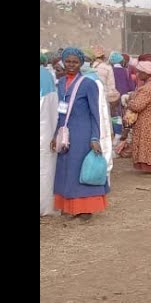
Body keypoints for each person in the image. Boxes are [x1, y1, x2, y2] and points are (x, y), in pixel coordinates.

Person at [50, 48, 112, 220]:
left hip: (83, 134)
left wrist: (94, 137)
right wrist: (56, 135)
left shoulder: (88, 84)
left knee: (81, 169)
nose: (71, 65)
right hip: (65, 133)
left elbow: (95, 113)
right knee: (66, 170)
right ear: (63, 62)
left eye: (74, 62)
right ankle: (69, 206)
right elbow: (59, 112)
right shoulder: (60, 83)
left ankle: (85, 208)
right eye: (68, 61)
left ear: (81, 63)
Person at [40, 54, 59, 216]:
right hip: (48, 130)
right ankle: (45, 206)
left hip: (44, 129)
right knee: (46, 169)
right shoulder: (47, 76)